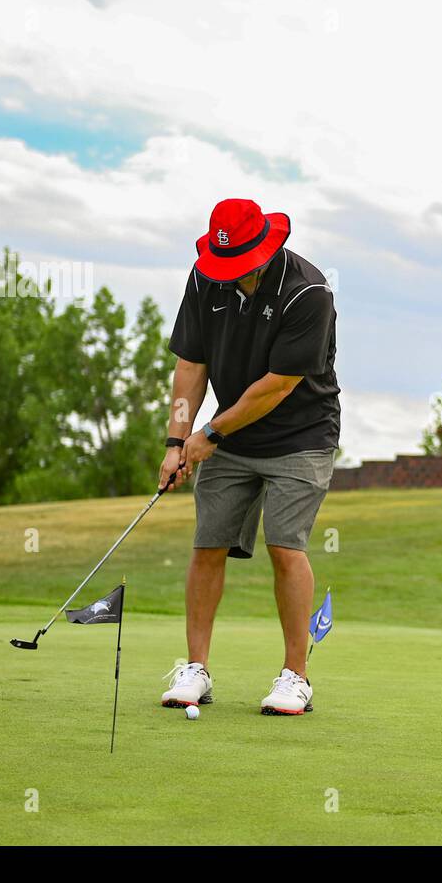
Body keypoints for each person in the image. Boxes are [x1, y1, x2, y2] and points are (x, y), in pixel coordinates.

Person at [158, 198, 339, 715]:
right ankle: (196, 670)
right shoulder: (203, 281)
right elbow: (191, 364)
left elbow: (277, 386)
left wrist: (209, 432)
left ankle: (294, 677)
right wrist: (176, 440)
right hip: (230, 435)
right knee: (208, 544)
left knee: (285, 545)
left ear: (265, 248)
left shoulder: (309, 291)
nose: (231, 274)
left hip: (300, 434)